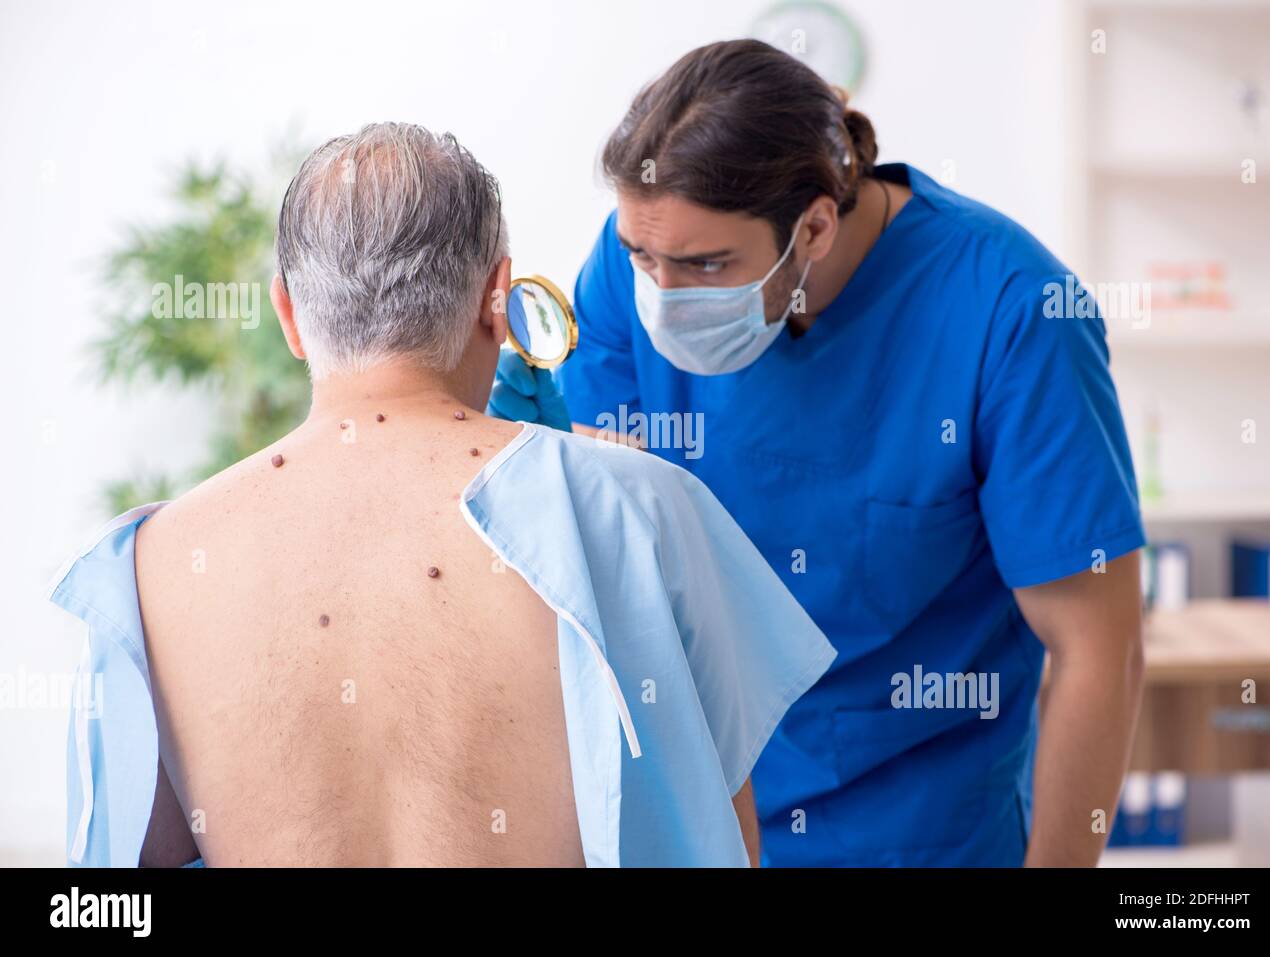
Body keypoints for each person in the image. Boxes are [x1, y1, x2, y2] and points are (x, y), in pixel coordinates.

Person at [47, 122, 834, 867]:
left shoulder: (149, 568)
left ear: (287, 312)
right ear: (500, 297)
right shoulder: (637, 510)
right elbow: (720, 843)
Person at [490, 40, 1146, 866]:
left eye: (705, 265)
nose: (662, 296)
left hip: (926, 837)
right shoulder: (631, 272)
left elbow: (1099, 649)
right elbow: (606, 566)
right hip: (701, 826)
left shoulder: (1013, 314)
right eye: (643, 257)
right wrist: (525, 463)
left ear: (814, 226)